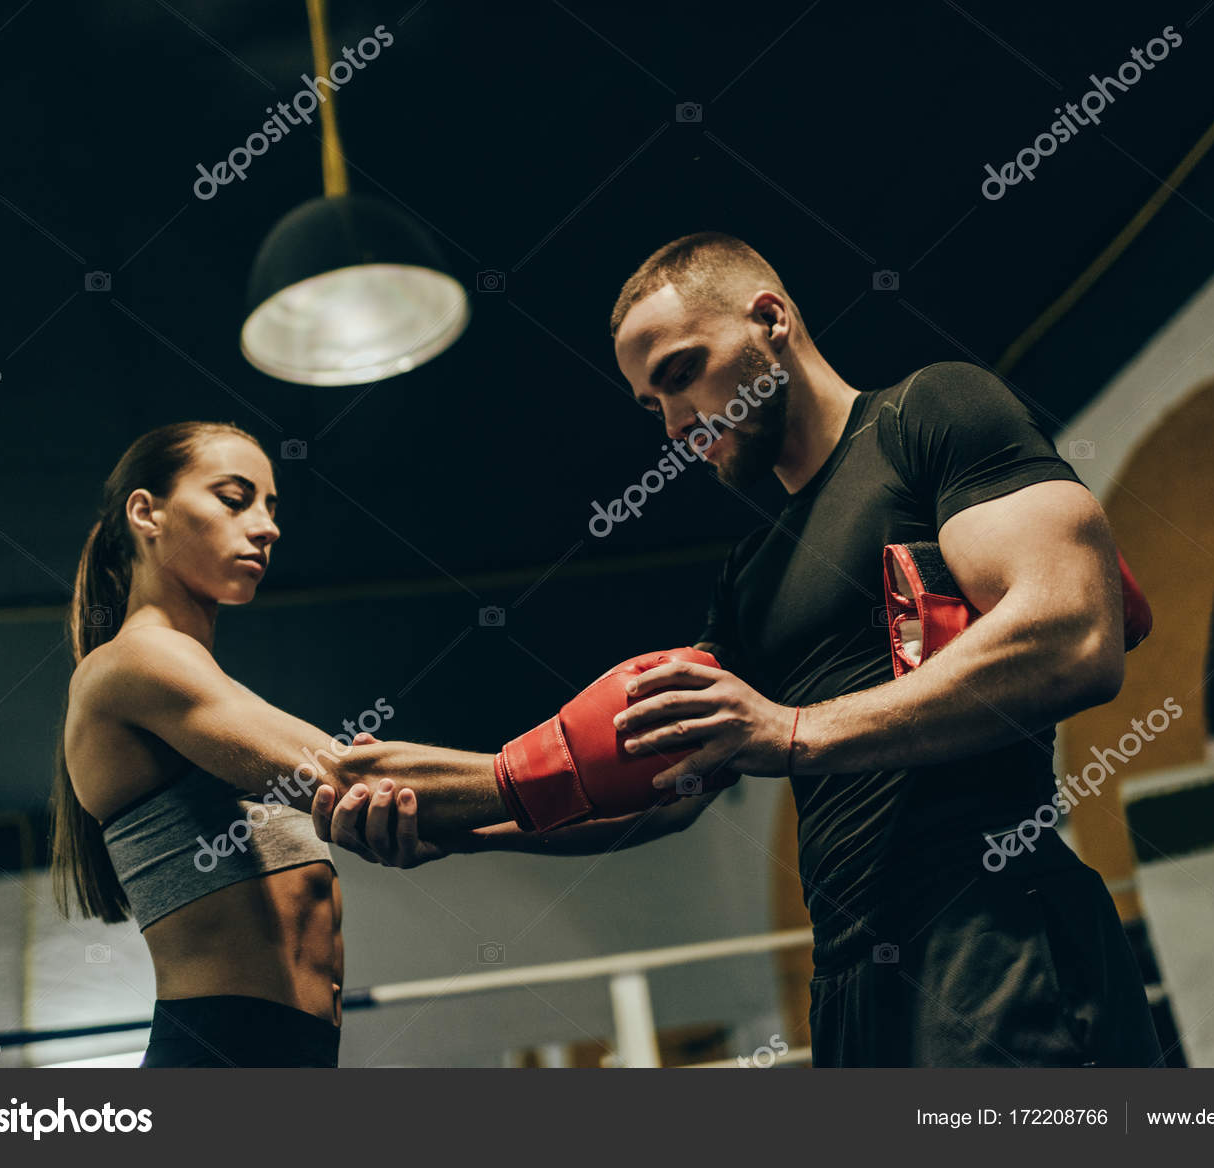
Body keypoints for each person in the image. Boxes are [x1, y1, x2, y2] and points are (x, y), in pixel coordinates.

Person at [321, 232, 1163, 1068]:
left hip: (995, 934)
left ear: (771, 319)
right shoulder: (749, 579)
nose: (677, 424)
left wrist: (791, 732)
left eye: (682, 374)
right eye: (654, 406)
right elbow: (669, 787)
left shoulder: (930, 415)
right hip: (848, 989)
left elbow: (1073, 631)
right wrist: (463, 827)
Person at [49, 421, 690, 1067]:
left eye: (271, 507)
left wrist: (661, 786)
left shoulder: (197, 685)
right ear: (145, 512)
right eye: (233, 497)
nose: (266, 527)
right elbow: (355, 777)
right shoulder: (135, 661)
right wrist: (587, 762)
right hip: (216, 1054)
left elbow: (401, 803)